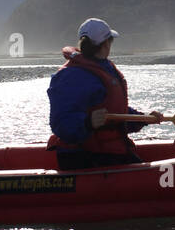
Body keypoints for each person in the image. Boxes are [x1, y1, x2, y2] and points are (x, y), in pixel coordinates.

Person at [47, 18, 162, 170]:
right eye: (110, 41)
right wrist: (88, 122)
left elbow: (114, 113)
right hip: (83, 156)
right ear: (106, 44)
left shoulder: (103, 68)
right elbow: (61, 123)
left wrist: (144, 118)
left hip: (107, 151)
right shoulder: (71, 76)